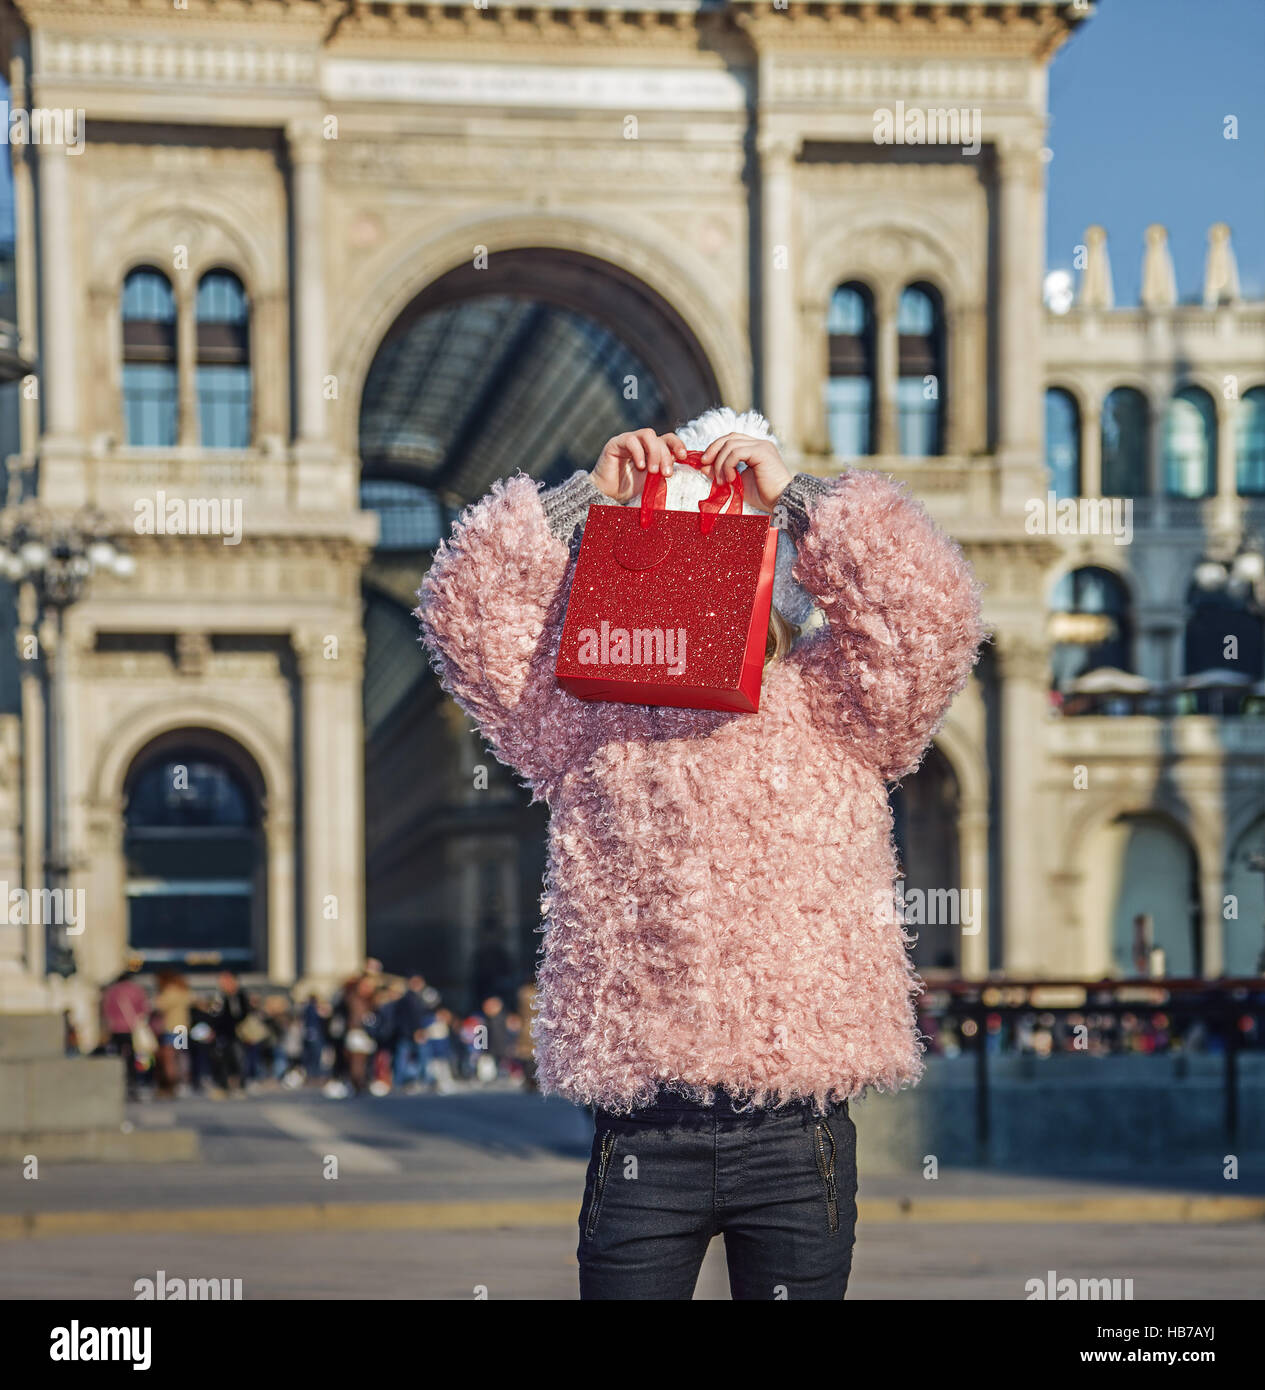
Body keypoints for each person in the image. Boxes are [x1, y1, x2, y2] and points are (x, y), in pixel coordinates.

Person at [417, 407, 985, 1300]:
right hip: (644, 1133)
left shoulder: (835, 706)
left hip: (797, 1136)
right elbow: (465, 618)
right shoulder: (589, 713)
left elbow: (932, 618)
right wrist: (580, 504)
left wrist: (798, 500)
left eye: (728, 552)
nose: (702, 574)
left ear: (776, 577)